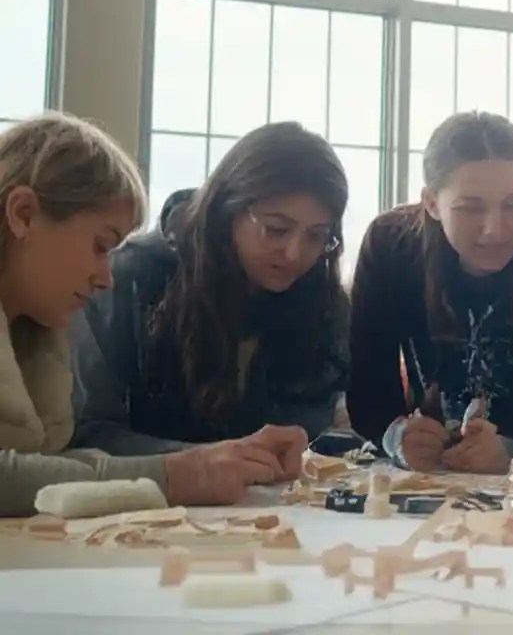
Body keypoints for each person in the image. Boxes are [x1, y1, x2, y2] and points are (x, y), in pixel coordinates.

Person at [0, 113, 306, 516]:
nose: (106, 278)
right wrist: (174, 476)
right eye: (100, 245)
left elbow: (45, 468)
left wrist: (188, 467)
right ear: (23, 214)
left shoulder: (33, 332)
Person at [71, 122, 351, 454]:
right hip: (142, 501)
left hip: (274, 503)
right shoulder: (128, 278)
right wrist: (206, 464)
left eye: (316, 236)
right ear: (227, 209)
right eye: (276, 230)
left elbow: (316, 425)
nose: (294, 253)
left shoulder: (321, 301)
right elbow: (89, 433)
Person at [348, 111, 513, 474]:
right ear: (432, 203)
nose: (494, 229)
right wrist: (396, 436)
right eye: (470, 208)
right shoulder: (391, 247)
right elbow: (366, 386)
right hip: (426, 473)